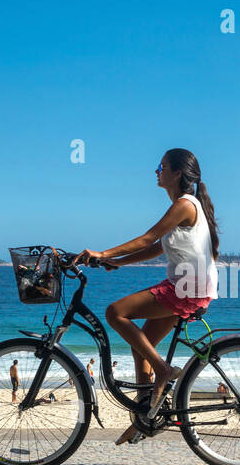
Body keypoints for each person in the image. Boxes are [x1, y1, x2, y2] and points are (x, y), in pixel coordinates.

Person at [78, 148, 220, 445]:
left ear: (177, 173)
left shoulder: (184, 204)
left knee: (115, 312)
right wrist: (117, 261)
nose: (157, 171)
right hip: (190, 287)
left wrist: (103, 252)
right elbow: (156, 249)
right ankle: (146, 414)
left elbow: (147, 237)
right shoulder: (184, 206)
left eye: (162, 166)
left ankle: (163, 371)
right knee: (141, 346)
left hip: (186, 289)